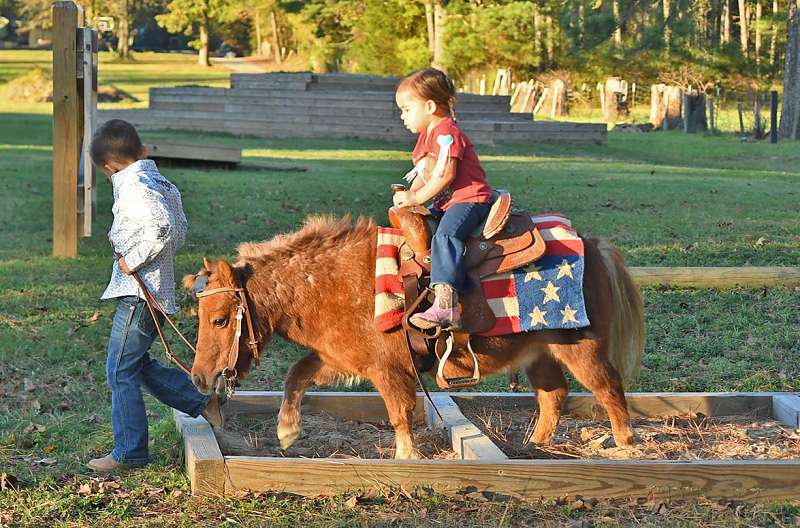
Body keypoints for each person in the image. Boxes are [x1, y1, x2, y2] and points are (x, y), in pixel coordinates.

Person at [86, 119, 224, 473]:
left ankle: (129, 453)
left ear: (108, 167)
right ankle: (199, 402)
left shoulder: (135, 188)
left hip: (139, 295)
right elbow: (178, 228)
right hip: (152, 292)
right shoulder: (159, 181)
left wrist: (132, 260)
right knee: (133, 364)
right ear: (141, 151)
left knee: (119, 371)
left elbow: (161, 228)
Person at [392, 68, 494, 331]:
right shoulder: (427, 136)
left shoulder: (446, 133)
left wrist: (416, 197)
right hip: (447, 203)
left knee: (445, 236)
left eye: (406, 109)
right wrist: (407, 198)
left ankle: (446, 303)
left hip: (470, 198)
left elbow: (445, 174)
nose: (402, 116)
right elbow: (425, 174)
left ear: (428, 106)